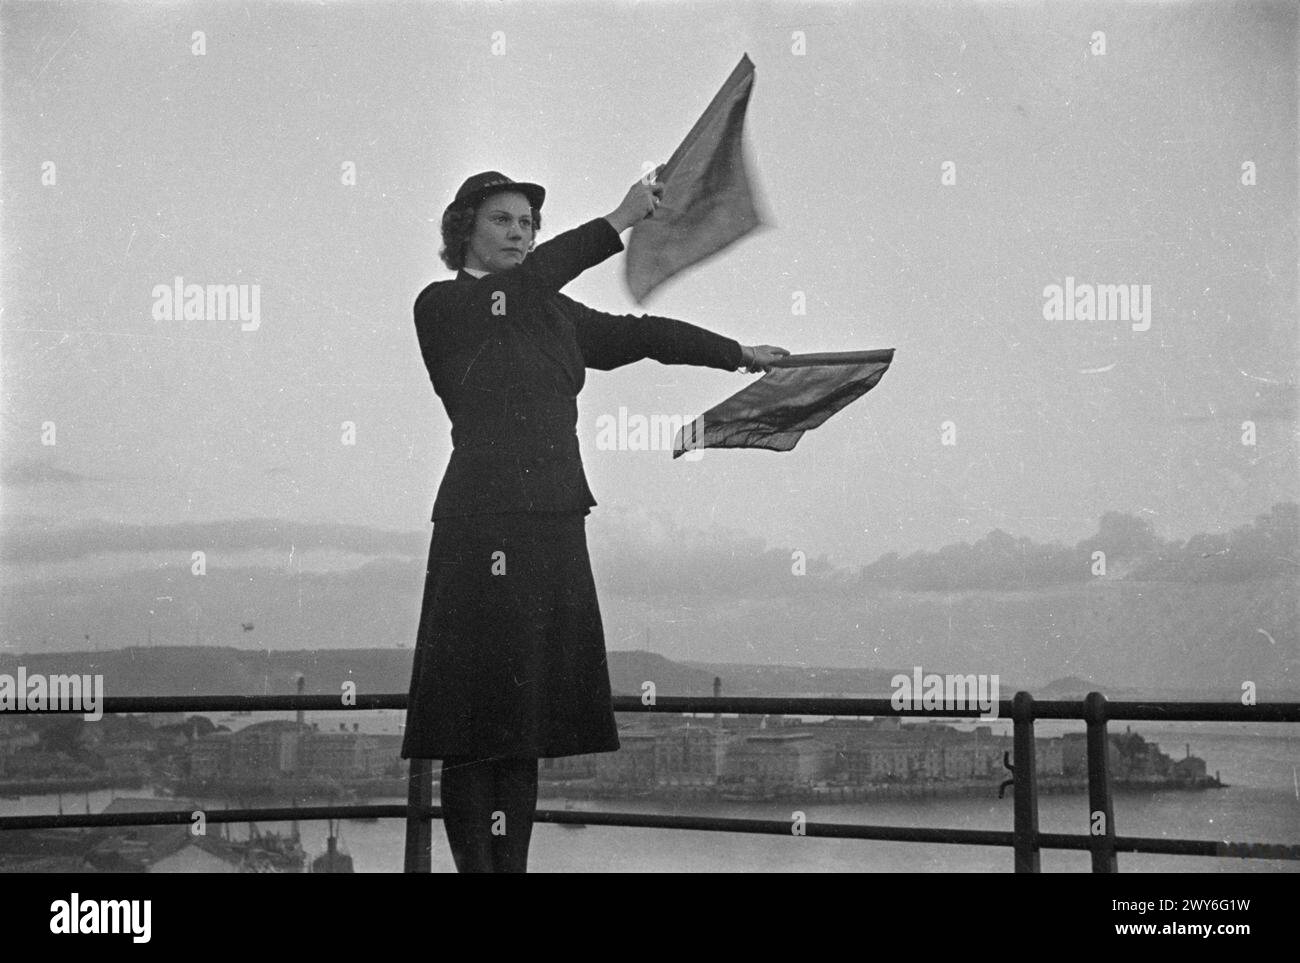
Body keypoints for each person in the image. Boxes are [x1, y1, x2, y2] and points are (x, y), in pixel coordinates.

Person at [400, 168, 789, 872]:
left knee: (521, 727)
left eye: (527, 223)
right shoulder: (446, 305)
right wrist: (619, 219)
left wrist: (736, 354)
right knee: (471, 728)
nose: (520, 233)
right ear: (466, 231)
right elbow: (528, 282)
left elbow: (642, 335)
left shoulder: (549, 313)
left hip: (553, 523)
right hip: (482, 527)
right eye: (502, 221)